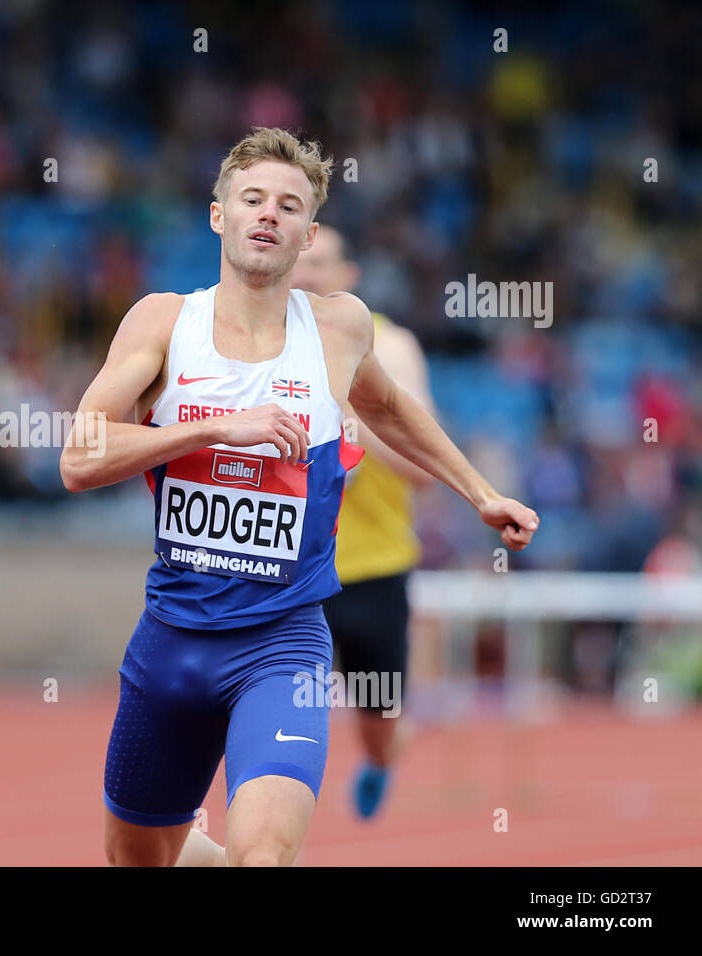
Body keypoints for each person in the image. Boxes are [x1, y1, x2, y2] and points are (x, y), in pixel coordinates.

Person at [60, 127, 538, 866]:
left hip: (282, 645)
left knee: (264, 855)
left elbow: (388, 407)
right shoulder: (162, 321)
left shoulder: (339, 327)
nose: (268, 214)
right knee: (135, 860)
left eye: (288, 205)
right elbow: (79, 459)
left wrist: (480, 493)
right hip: (172, 643)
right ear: (219, 215)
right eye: (252, 198)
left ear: (307, 232)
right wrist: (216, 428)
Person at [292, 226, 435, 819]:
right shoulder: (258, 341)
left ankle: (379, 758)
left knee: (378, 717)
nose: (306, 276)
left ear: (348, 276)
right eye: (298, 263)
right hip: (293, 569)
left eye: (320, 264)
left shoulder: (391, 347)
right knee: (285, 706)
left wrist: (351, 412)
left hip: (374, 566)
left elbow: (421, 468)